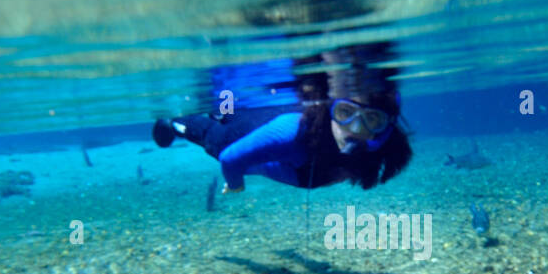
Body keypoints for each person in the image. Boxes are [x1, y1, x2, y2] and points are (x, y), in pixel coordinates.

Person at [152, 82, 412, 192]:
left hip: (265, 118)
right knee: (214, 137)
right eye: (346, 112)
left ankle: (223, 109)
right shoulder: (291, 133)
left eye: (372, 119)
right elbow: (230, 159)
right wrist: (235, 186)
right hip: (239, 135)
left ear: (387, 127)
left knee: (227, 112)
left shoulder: (388, 146)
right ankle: (174, 123)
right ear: (331, 110)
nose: (355, 129)